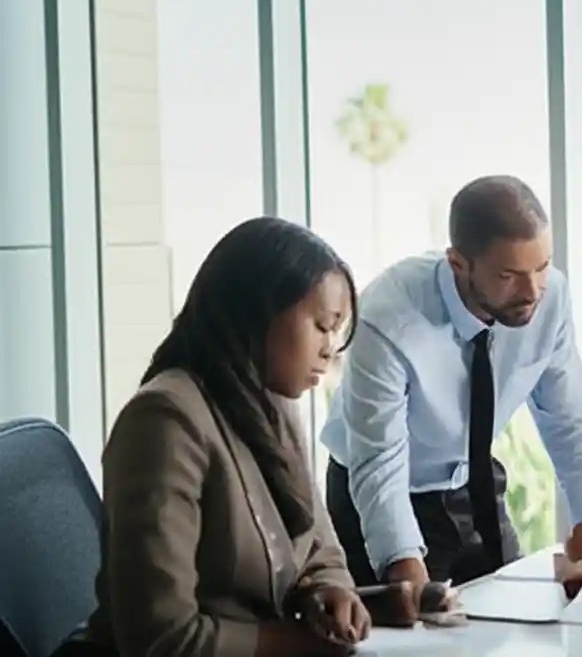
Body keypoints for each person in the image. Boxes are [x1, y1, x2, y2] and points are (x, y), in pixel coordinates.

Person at [61, 217, 370, 656]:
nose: (329, 348)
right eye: (322, 325)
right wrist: (297, 644)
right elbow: (161, 636)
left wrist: (330, 592)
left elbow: (316, 541)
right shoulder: (165, 420)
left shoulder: (273, 402)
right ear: (259, 312)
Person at [322, 175, 582, 595]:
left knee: (510, 618)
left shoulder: (551, 296)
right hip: (381, 492)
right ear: (458, 263)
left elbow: (570, 421)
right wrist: (412, 588)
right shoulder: (389, 317)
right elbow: (379, 463)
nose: (532, 292)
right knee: (410, 639)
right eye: (509, 275)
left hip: (472, 481)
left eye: (542, 267)